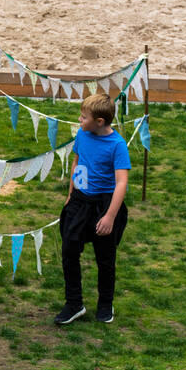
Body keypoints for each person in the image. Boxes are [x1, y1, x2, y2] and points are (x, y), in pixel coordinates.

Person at [55, 93, 131, 325]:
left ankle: (105, 304)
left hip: (104, 205)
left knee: (105, 259)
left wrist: (109, 216)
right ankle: (74, 303)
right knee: (69, 251)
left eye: (83, 117)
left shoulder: (117, 145)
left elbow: (121, 183)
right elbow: (78, 161)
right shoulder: (82, 134)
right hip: (79, 202)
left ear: (99, 122)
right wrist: (71, 195)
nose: (79, 120)